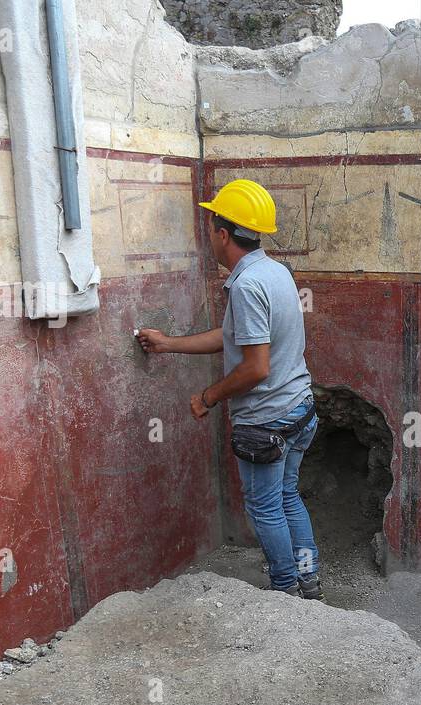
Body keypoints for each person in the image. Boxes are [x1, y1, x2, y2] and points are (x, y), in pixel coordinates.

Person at [136, 179, 323, 600]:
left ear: (223, 234)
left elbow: (255, 367)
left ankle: (285, 590)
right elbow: (235, 336)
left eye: (212, 231)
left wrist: (208, 397)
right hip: (299, 410)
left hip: (266, 421)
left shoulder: (245, 285)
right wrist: (168, 344)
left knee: (265, 507)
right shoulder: (277, 273)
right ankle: (308, 581)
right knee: (288, 495)